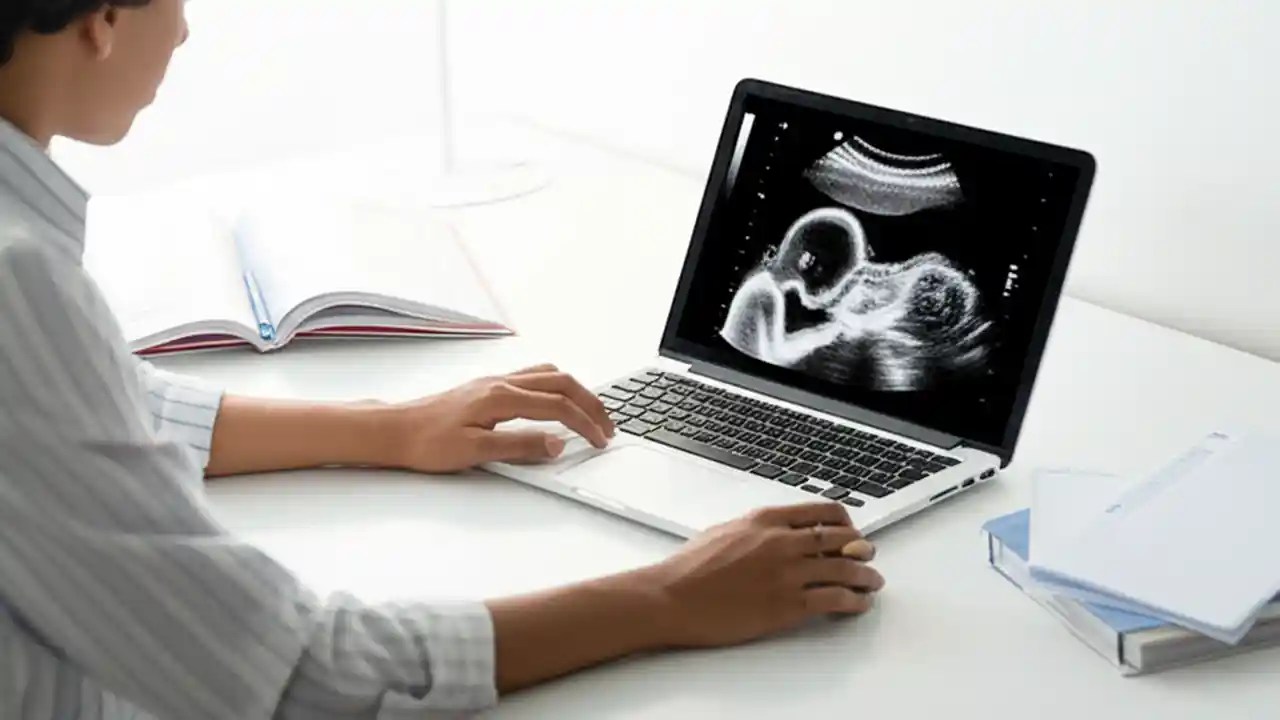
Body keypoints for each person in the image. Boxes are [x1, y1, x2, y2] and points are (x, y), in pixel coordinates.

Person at [0, 2, 884, 718]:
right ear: (102, 18)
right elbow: (295, 672)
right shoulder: (16, 282)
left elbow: (88, 410)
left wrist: (396, 427)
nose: (187, 30)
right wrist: (669, 598)